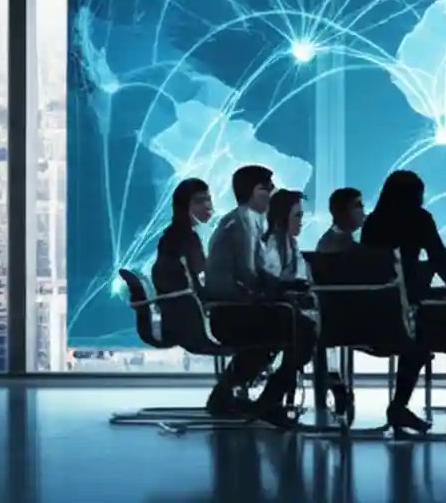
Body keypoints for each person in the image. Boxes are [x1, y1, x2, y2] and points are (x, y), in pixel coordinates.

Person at [204, 165, 317, 427]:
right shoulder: (242, 222)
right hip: (231, 311)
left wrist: (283, 289)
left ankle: (226, 395)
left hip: (235, 308)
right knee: (303, 330)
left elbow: (258, 273)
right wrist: (279, 291)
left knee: (285, 334)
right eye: (264, 187)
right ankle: (270, 401)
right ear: (248, 192)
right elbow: (248, 273)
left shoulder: (249, 220)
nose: (270, 192)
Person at [359, 170, 446, 434]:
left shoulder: (372, 222)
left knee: (415, 339)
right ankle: (400, 405)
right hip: (406, 307)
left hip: (373, 310)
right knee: (424, 338)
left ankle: (400, 407)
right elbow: (439, 256)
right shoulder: (420, 219)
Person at [151, 178, 222, 409]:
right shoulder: (184, 239)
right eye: (200, 201)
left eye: (209, 199)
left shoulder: (178, 235)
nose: (208, 205)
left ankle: (230, 391)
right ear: (184, 206)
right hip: (191, 322)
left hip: (185, 317)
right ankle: (228, 393)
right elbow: (201, 278)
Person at [317, 187, 364, 254]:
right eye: (358, 205)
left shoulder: (327, 240)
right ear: (343, 211)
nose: (362, 208)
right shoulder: (335, 245)